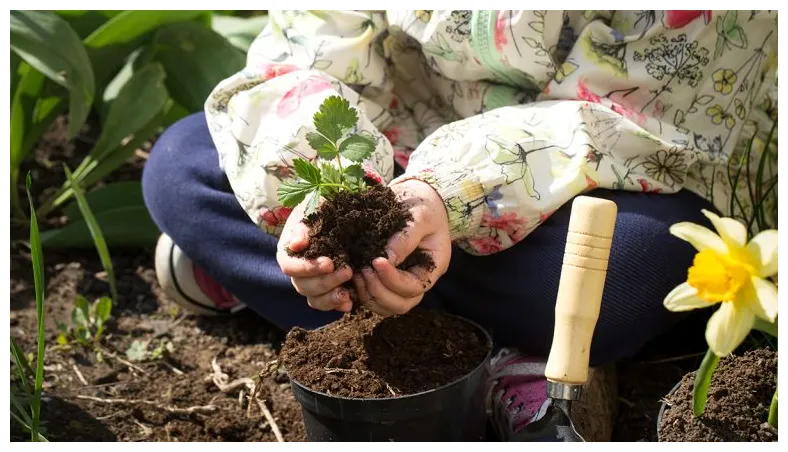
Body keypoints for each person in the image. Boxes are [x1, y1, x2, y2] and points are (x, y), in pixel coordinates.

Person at [143, 10, 778, 438]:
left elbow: (637, 116)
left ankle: (291, 287)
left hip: (600, 165)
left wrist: (450, 193)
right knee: (181, 167)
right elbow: (310, 43)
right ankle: (500, 348)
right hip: (394, 144)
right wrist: (338, 192)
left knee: (631, 263)